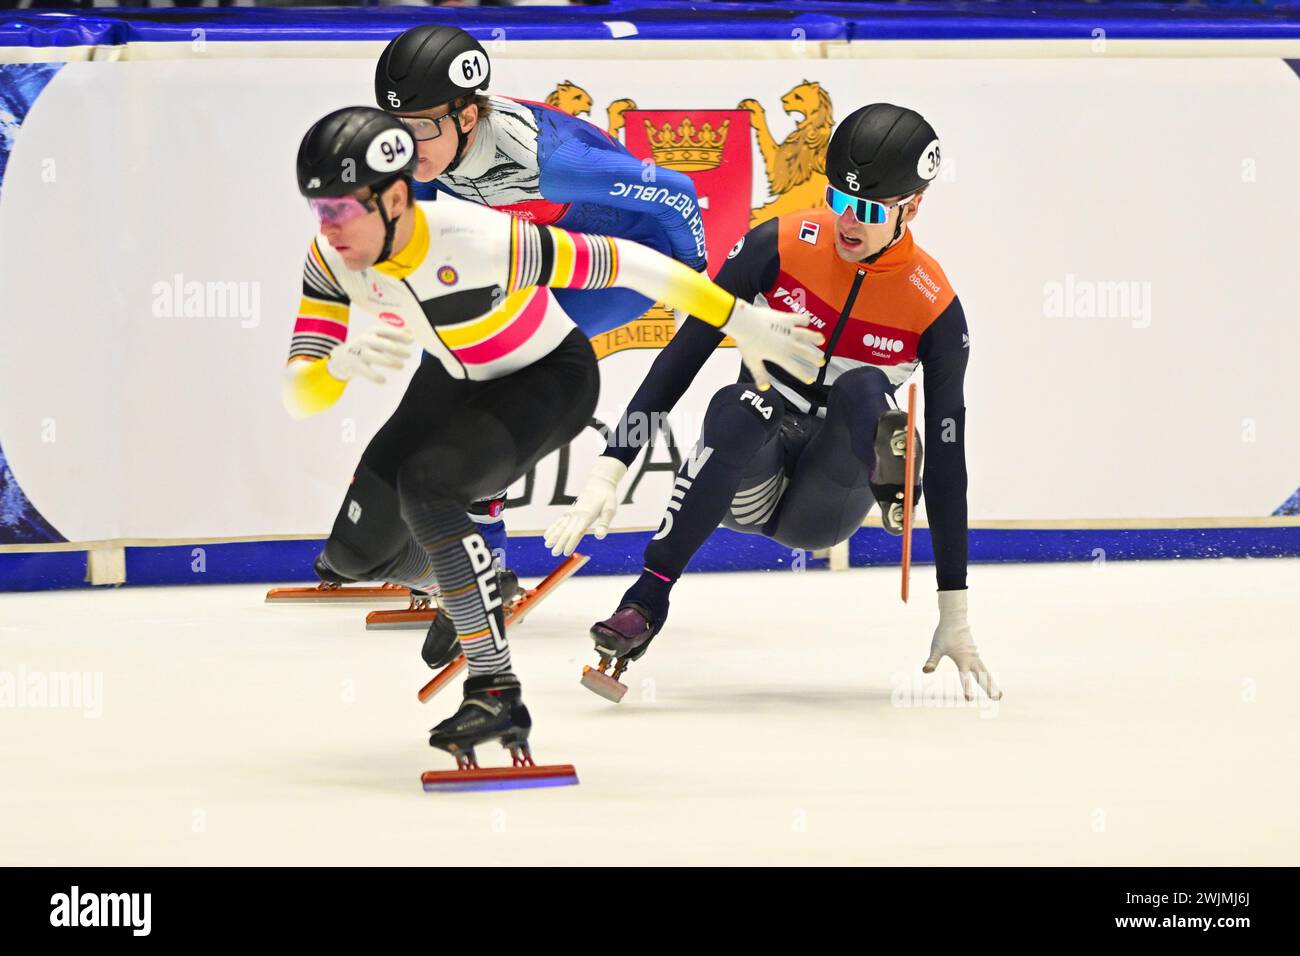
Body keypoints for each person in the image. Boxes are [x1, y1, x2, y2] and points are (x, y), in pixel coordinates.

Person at [286, 106, 822, 767]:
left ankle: (495, 692)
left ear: (396, 199)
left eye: (342, 209)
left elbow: (632, 265)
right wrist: (335, 367)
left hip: (546, 379)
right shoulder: (330, 258)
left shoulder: (477, 238)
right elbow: (300, 390)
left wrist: (741, 319)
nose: (329, 227)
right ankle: (463, 582)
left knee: (427, 488)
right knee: (353, 556)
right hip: (456, 376)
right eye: (319, 209)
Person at [546, 103, 1002, 703]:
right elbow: (682, 356)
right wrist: (612, 467)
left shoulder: (933, 307)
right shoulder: (781, 245)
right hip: (751, 467)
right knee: (739, 401)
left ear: (911, 208)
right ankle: (644, 602)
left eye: (868, 210)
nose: (848, 222)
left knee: (865, 389)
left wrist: (955, 611)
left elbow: (950, 461)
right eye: (839, 199)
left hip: (825, 499)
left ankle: (892, 479)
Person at [312, 24, 711, 668]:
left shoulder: (552, 162)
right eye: (395, 127)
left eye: (420, 128)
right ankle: (441, 552)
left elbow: (678, 193)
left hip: (623, 263)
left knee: (495, 370)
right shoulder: (423, 153)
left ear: (467, 116)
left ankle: (478, 568)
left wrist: (693, 276)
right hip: (535, 254)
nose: (405, 145)